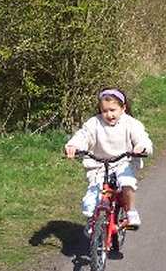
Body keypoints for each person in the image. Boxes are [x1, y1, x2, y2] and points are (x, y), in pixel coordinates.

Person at [64, 88, 153, 231]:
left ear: (123, 108)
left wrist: (141, 147)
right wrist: (73, 146)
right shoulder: (94, 123)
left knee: (127, 182)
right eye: (104, 111)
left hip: (124, 163)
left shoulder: (130, 123)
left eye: (113, 110)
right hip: (98, 165)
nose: (109, 115)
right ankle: (93, 223)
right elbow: (83, 136)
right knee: (90, 203)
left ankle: (131, 211)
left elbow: (142, 138)